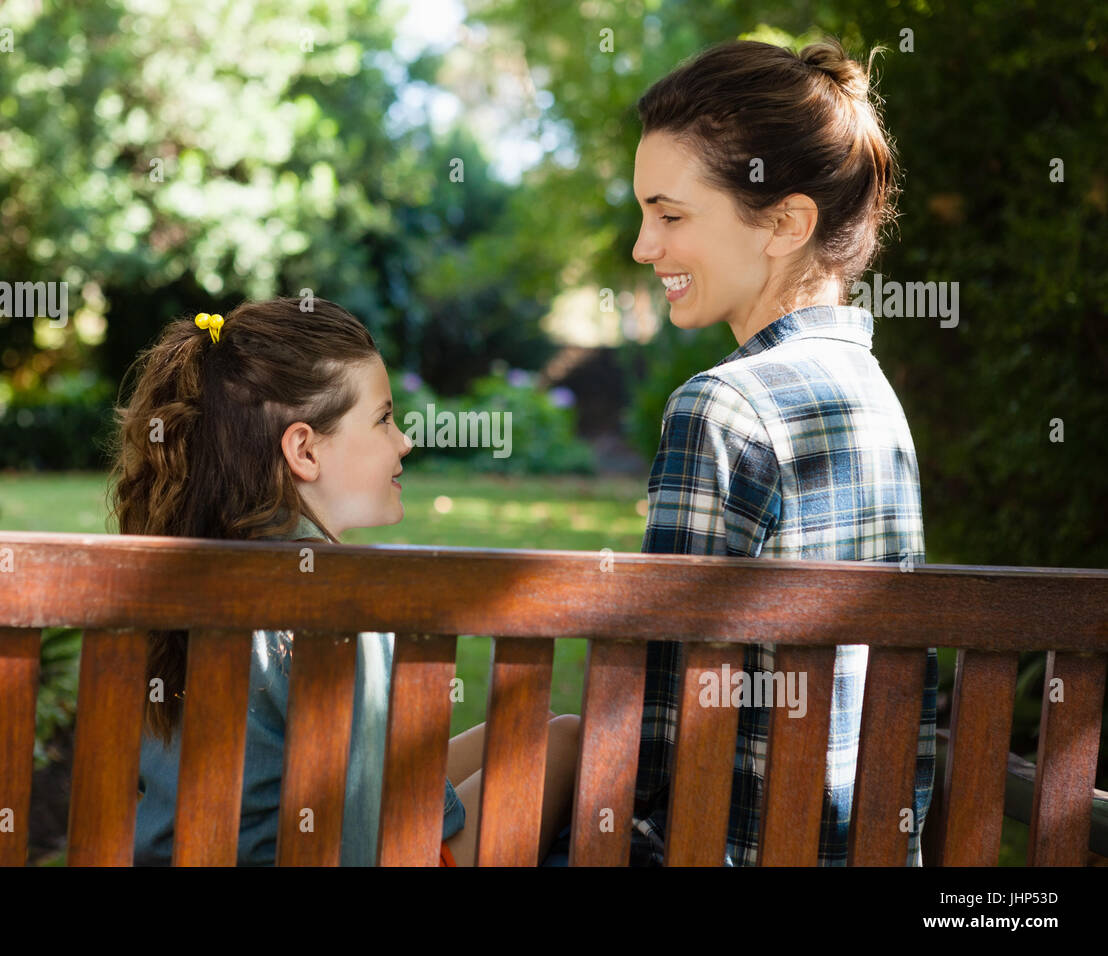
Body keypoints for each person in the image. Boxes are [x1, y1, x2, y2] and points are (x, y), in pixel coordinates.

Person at [107, 296, 580, 866]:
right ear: (304, 450)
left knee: (532, 727)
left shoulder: (185, 573)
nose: (404, 441)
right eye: (383, 418)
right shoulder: (342, 598)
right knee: (570, 739)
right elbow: (364, 844)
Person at [627, 37, 937, 865]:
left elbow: (662, 731)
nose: (643, 246)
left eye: (670, 214)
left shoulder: (724, 407)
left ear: (786, 223)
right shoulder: (876, 400)